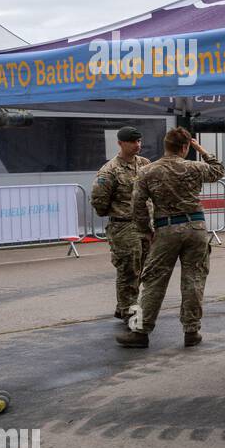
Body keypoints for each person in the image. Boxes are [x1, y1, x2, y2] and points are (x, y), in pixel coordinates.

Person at [115, 129, 224, 348]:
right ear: (185, 147)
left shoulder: (147, 171)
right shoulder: (194, 167)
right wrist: (201, 149)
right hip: (196, 227)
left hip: (166, 229)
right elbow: (217, 171)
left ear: (165, 145)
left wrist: (146, 231)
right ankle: (191, 331)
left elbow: (138, 205)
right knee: (193, 279)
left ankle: (141, 331)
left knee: (154, 281)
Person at [90, 127, 150, 320]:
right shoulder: (110, 170)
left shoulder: (145, 164)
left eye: (139, 141)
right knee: (128, 270)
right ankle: (129, 312)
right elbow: (99, 201)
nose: (137, 145)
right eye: (133, 142)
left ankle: (123, 305)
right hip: (124, 226)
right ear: (120, 143)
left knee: (143, 268)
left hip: (145, 226)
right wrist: (118, 213)